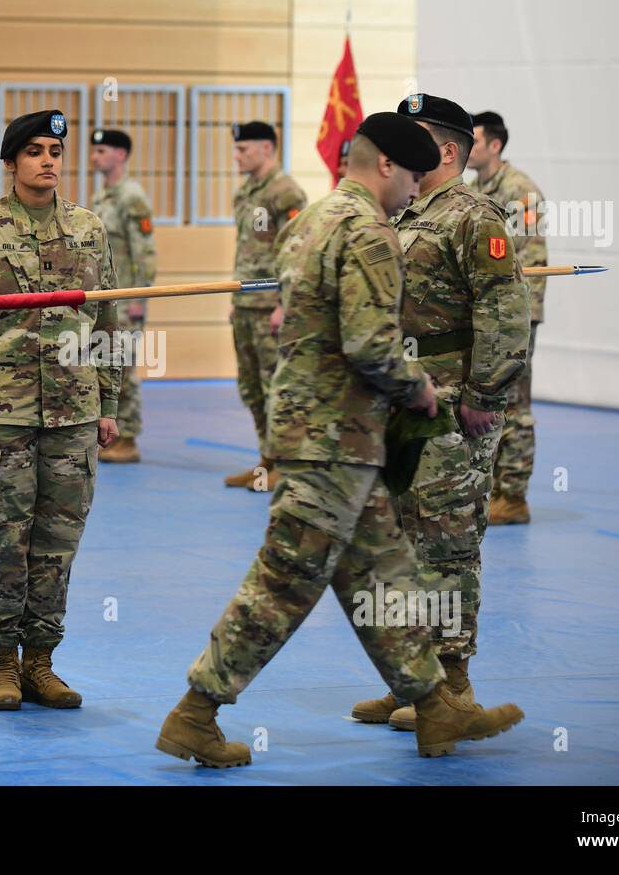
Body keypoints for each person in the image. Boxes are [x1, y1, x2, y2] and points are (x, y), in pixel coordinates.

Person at [155, 113, 524, 766]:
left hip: (319, 429)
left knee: (382, 573)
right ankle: (196, 712)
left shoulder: (313, 220)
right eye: (411, 177)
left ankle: (437, 707)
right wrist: (421, 390)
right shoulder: (368, 230)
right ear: (386, 165)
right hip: (336, 438)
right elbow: (371, 343)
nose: (415, 191)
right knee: (285, 581)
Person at [0, 110, 121, 710]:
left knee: (59, 541)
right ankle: (2, 664)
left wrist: (109, 402)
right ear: (11, 162)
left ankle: (41, 661)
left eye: (55, 150)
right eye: (34, 151)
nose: (48, 161)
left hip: (74, 414)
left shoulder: (89, 229)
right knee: (4, 539)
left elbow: (106, 320)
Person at [352, 95, 530, 732]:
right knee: (398, 545)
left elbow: (505, 313)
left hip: (454, 404)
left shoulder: (474, 216)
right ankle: (412, 682)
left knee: (447, 546)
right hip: (401, 401)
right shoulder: (398, 212)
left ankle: (453, 685)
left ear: (448, 150)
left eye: (417, 139)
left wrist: (485, 396)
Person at [467, 111, 549, 524]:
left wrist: (517, 321)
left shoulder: (520, 193)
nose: (469, 148)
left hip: (513, 316)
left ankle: (514, 495)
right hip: (484, 316)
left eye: (475, 140)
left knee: (514, 402)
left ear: (495, 145)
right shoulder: (475, 189)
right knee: (489, 399)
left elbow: (531, 262)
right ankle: (494, 487)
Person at [224, 121, 308, 491]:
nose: (237, 155)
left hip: (271, 307)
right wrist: (235, 300)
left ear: (267, 149)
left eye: (244, 149)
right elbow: (247, 249)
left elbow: (298, 251)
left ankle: (285, 464)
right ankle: (266, 459)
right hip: (246, 304)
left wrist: (284, 304)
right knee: (252, 388)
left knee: (277, 387)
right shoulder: (245, 192)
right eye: (237, 149)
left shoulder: (286, 192)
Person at [89, 128, 156, 464]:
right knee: (104, 364)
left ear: (121, 155)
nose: (95, 157)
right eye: (94, 150)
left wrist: (137, 300)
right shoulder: (102, 198)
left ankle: (128, 438)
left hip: (126, 300)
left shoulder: (132, 197)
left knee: (124, 369)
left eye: (102, 151)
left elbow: (144, 252)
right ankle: (111, 433)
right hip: (104, 300)